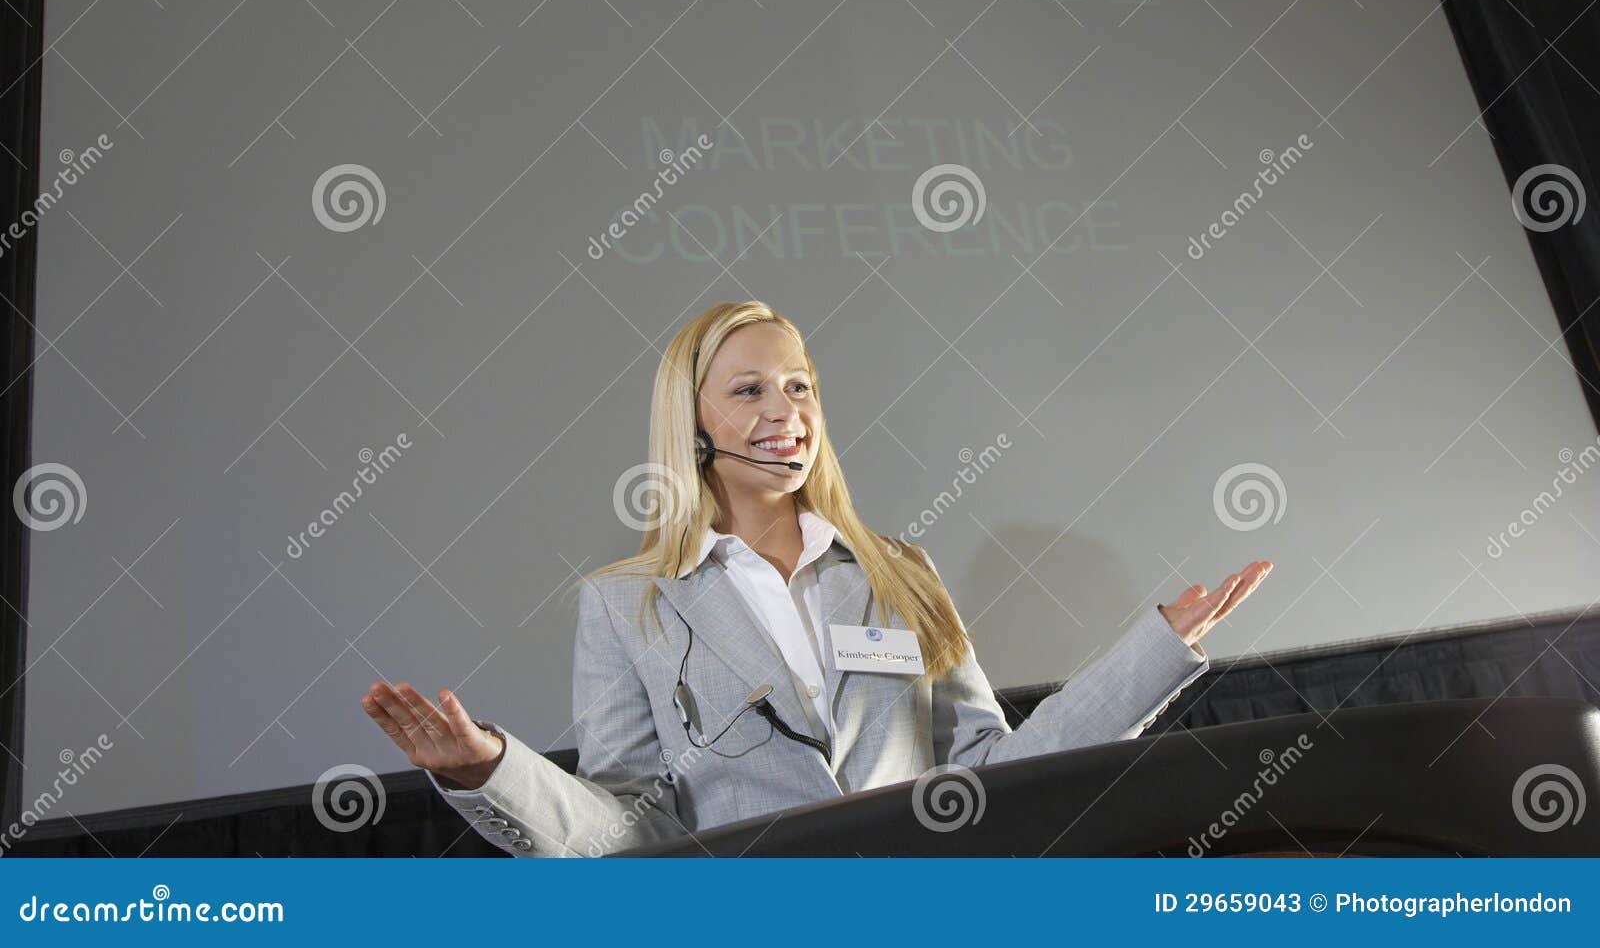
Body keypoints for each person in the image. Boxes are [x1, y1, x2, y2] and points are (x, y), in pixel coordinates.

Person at [360, 300, 1271, 856]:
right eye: (750, 389)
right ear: (693, 420)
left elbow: (993, 773)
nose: (785, 412)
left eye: (799, 387)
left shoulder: (896, 570)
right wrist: (492, 773)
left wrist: (1154, 653)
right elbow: (630, 836)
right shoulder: (625, 603)